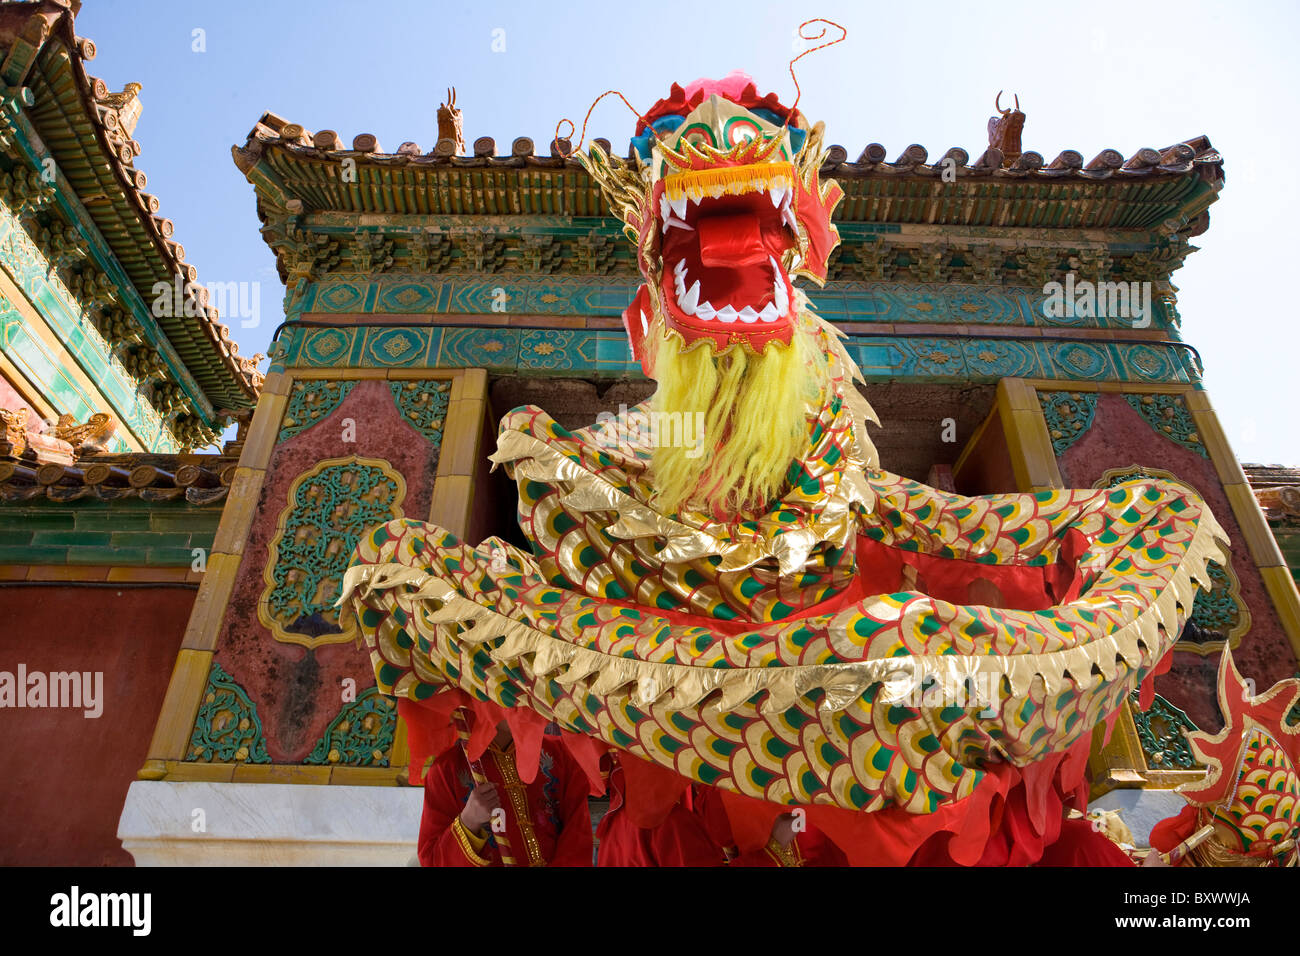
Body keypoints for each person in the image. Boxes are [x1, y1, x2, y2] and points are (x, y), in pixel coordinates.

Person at [418, 719, 593, 866]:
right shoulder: (447, 770)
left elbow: (577, 838)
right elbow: (432, 860)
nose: (515, 700)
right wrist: (469, 822)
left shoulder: (560, 755)